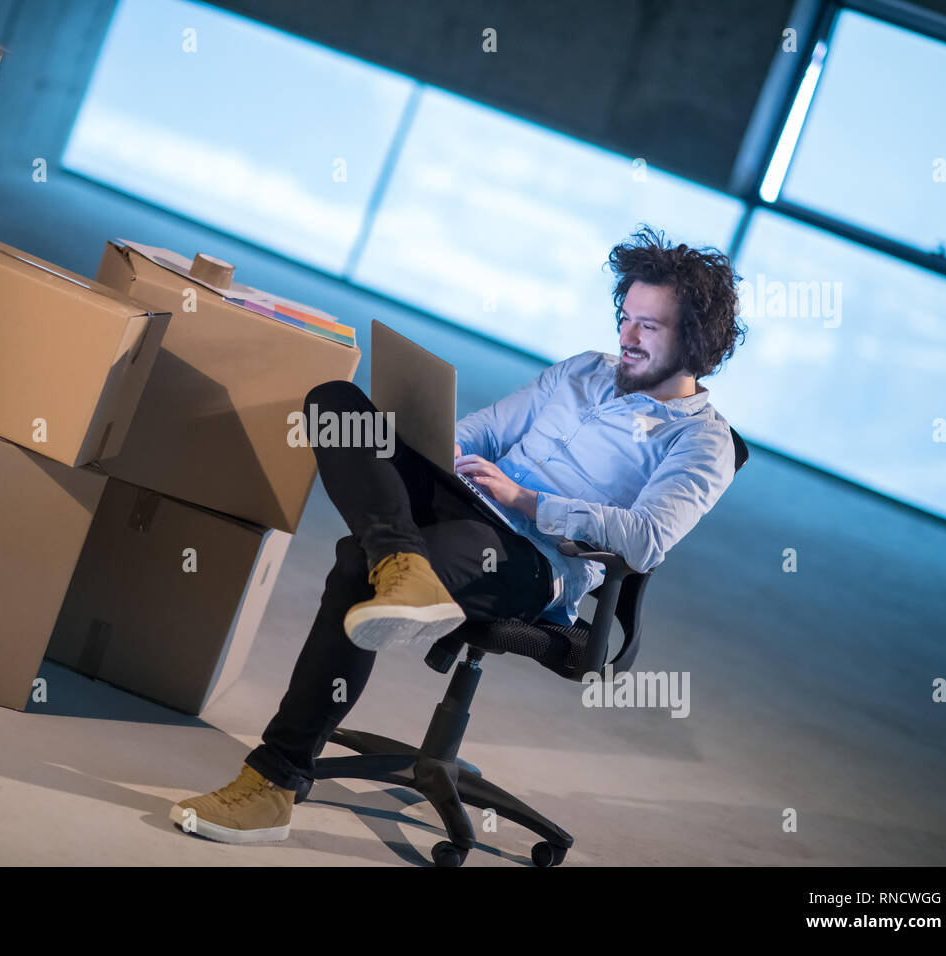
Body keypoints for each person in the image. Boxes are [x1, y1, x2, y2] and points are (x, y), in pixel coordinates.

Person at [170, 225, 747, 845]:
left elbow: (645, 539)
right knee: (337, 404)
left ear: (694, 339)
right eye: (626, 318)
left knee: (355, 565)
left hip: (532, 557)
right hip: (467, 499)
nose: (626, 338)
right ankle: (401, 562)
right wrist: (438, 444)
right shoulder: (583, 369)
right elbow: (484, 432)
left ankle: (275, 780)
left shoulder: (701, 441)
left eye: (649, 327)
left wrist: (527, 499)